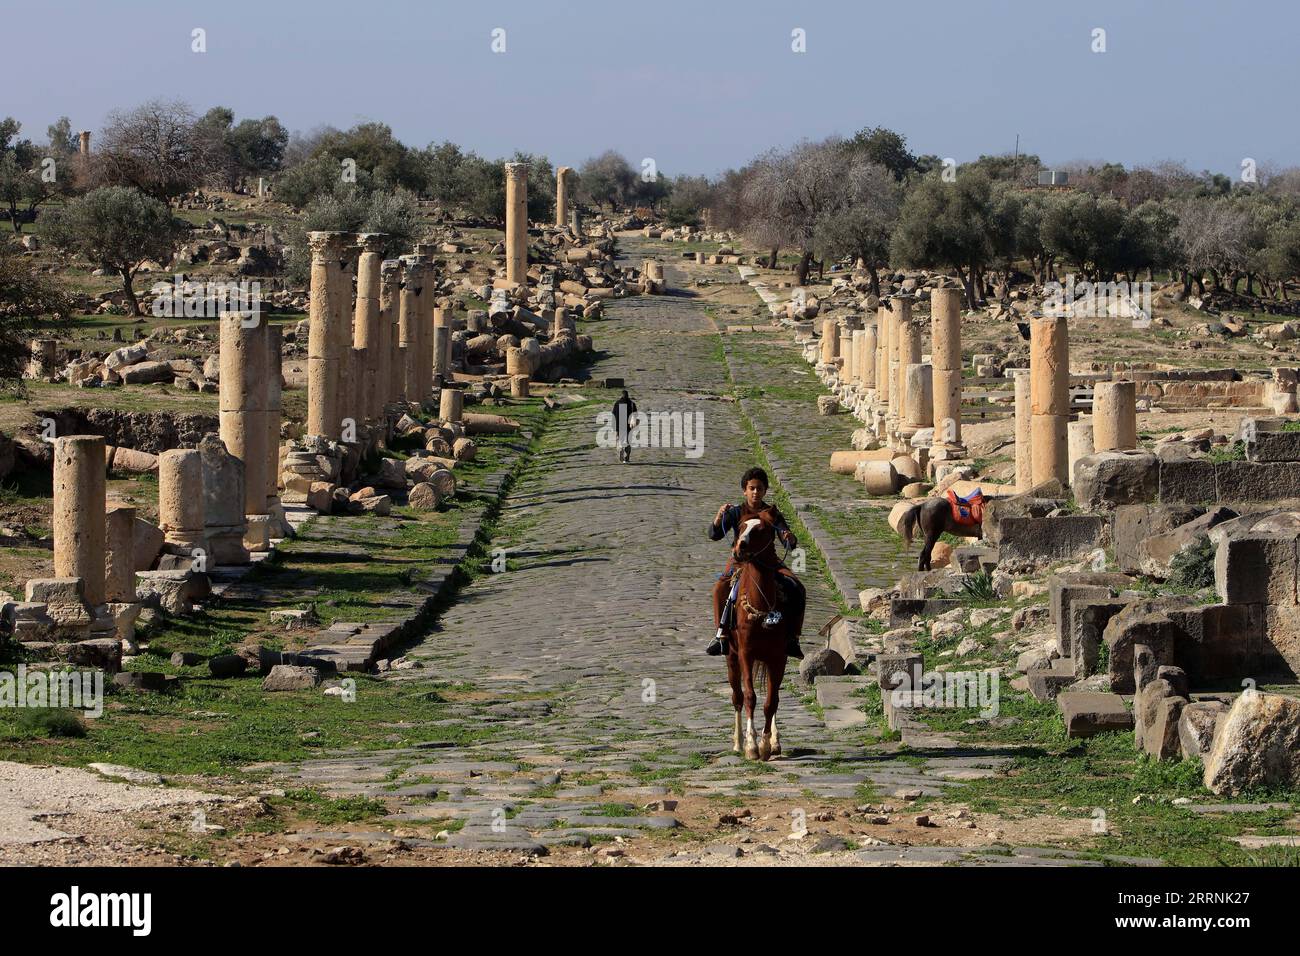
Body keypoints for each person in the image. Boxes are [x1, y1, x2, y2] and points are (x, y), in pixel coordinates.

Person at [706, 467, 805, 659]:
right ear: (745, 490)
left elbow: (787, 541)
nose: (755, 492)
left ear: (765, 490)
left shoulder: (772, 514)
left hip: (769, 562)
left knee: (797, 588)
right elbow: (714, 535)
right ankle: (721, 636)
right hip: (740, 562)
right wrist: (718, 517)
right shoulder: (735, 513)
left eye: (759, 488)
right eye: (751, 488)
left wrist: (789, 538)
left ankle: (793, 637)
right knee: (719, 588)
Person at [612, 389, 637, 463]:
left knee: (621, 441)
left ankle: (621, 451)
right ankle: (627, 458)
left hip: (620, 426)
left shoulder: (617, 403)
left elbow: (614, 416)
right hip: (629, 427)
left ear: (621, 395)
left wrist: (614, 428)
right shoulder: (632, 404)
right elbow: (635, 415)